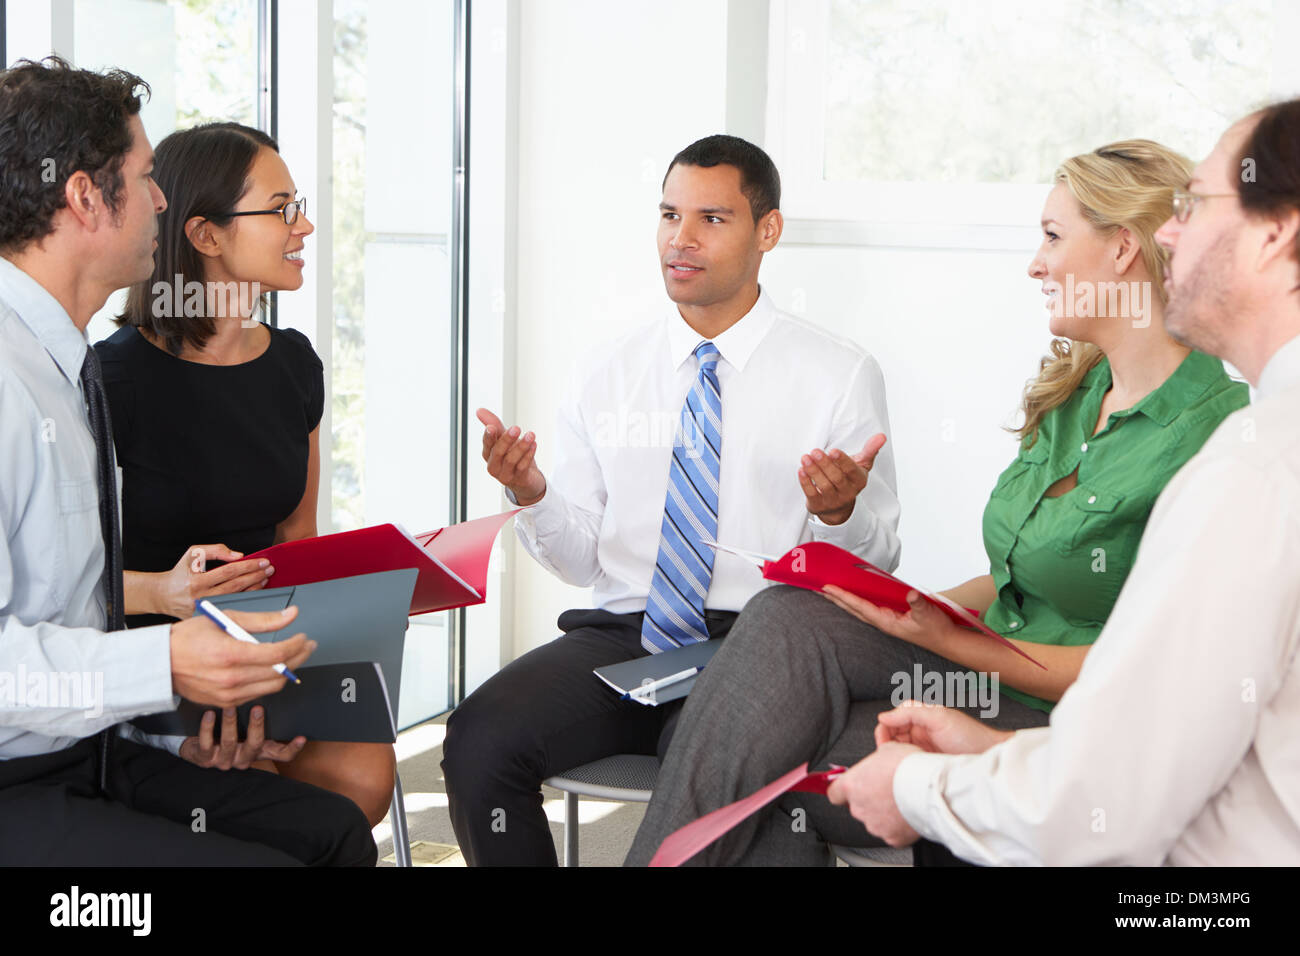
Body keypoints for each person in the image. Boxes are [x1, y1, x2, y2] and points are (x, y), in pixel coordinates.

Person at [626, 139, 1249, 866]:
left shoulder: (1217, 432)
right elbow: (1026, 568)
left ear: (1120, 251)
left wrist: (947, 640)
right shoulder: (1079, 394)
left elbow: (1141, 663)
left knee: (762, 751)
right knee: (788, 624)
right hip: (985, 669)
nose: (1035, 264)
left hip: (1069, 722)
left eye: (1052, 237)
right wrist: (909, 606)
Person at [826, 99, 1300, 865]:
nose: (1171, 234)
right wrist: (979, 742)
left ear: (1276, 232)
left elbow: (1104, 800)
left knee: (788, 732)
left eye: (1199, 205)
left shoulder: (1251, 467)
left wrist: (926, 785)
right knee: (789, 644)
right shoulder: (1242, 450)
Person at [441, 134, 903, 865]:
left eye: (712, 220)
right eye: (668, 215)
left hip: (758, 648)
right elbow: (583, 556)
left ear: (768, 231)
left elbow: (876, 559)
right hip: (625, 632)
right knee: (479, 741)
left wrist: (839, 513)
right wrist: (530, 493)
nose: (679, 240)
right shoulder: (606, 370)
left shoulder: (837, 374)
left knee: (724, 789)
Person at [0, 57, 375, 865]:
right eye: (144, 178)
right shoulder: (20, 380)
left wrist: (172, 733)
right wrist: (166, 661)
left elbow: (75, 618)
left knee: (336, 833)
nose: (163, 200)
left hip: (95, 744)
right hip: (21, 776)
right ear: (84, 198)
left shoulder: (63, 369)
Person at [94, 121, 397, 827]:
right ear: (204, 234)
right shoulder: (113, 380)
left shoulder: (294, 365)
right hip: (154, 659)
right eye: (282, 208)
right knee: (266, 797)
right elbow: (72, 582)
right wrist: (165, 594)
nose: (306, 226)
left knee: (364, 773)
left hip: (267, 651)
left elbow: (297, 536)